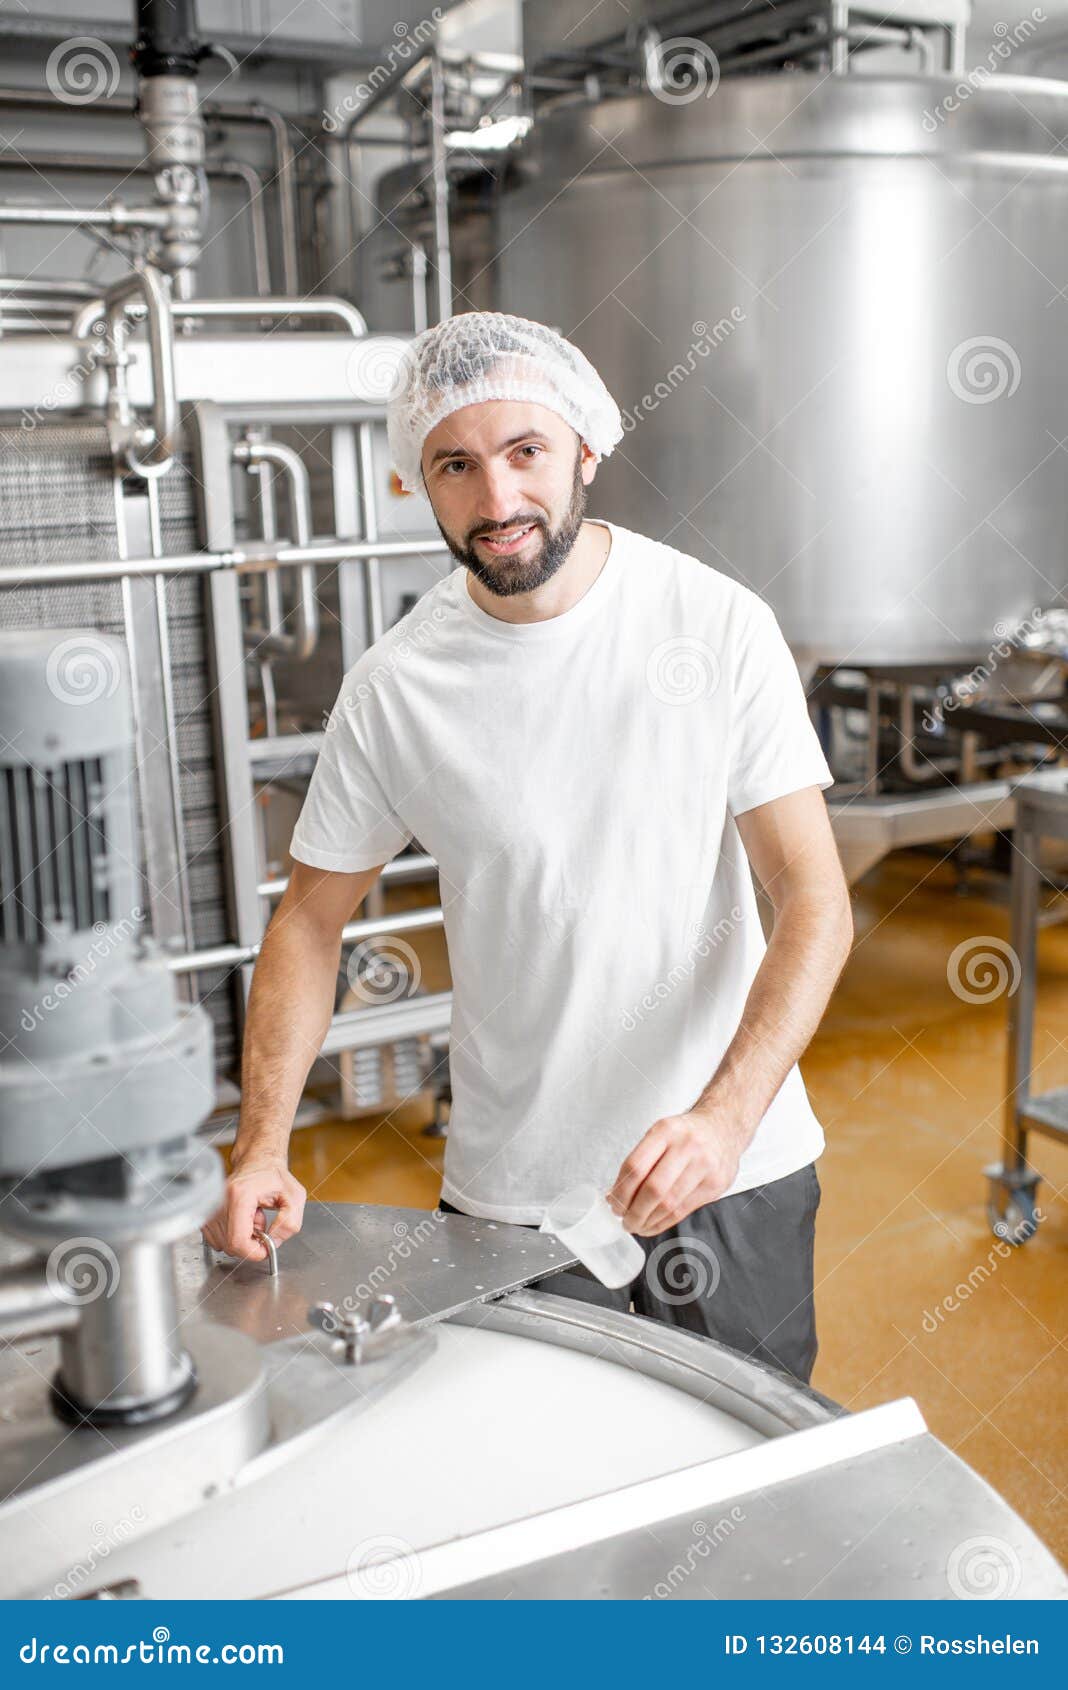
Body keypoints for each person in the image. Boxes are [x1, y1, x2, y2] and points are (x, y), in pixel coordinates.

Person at [202, 311, 853, 1384]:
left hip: (734, 1173)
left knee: (752, 1462)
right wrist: (261, 1147)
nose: (497, 499)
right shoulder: (396, 688)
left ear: (586, 448)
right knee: (535, 1470)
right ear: (415, 481)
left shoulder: (715, 624)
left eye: (525, 451)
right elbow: (309, 926)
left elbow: (814, 899)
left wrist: (724, 1119)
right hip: (516, 1199)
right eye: (456, 465)